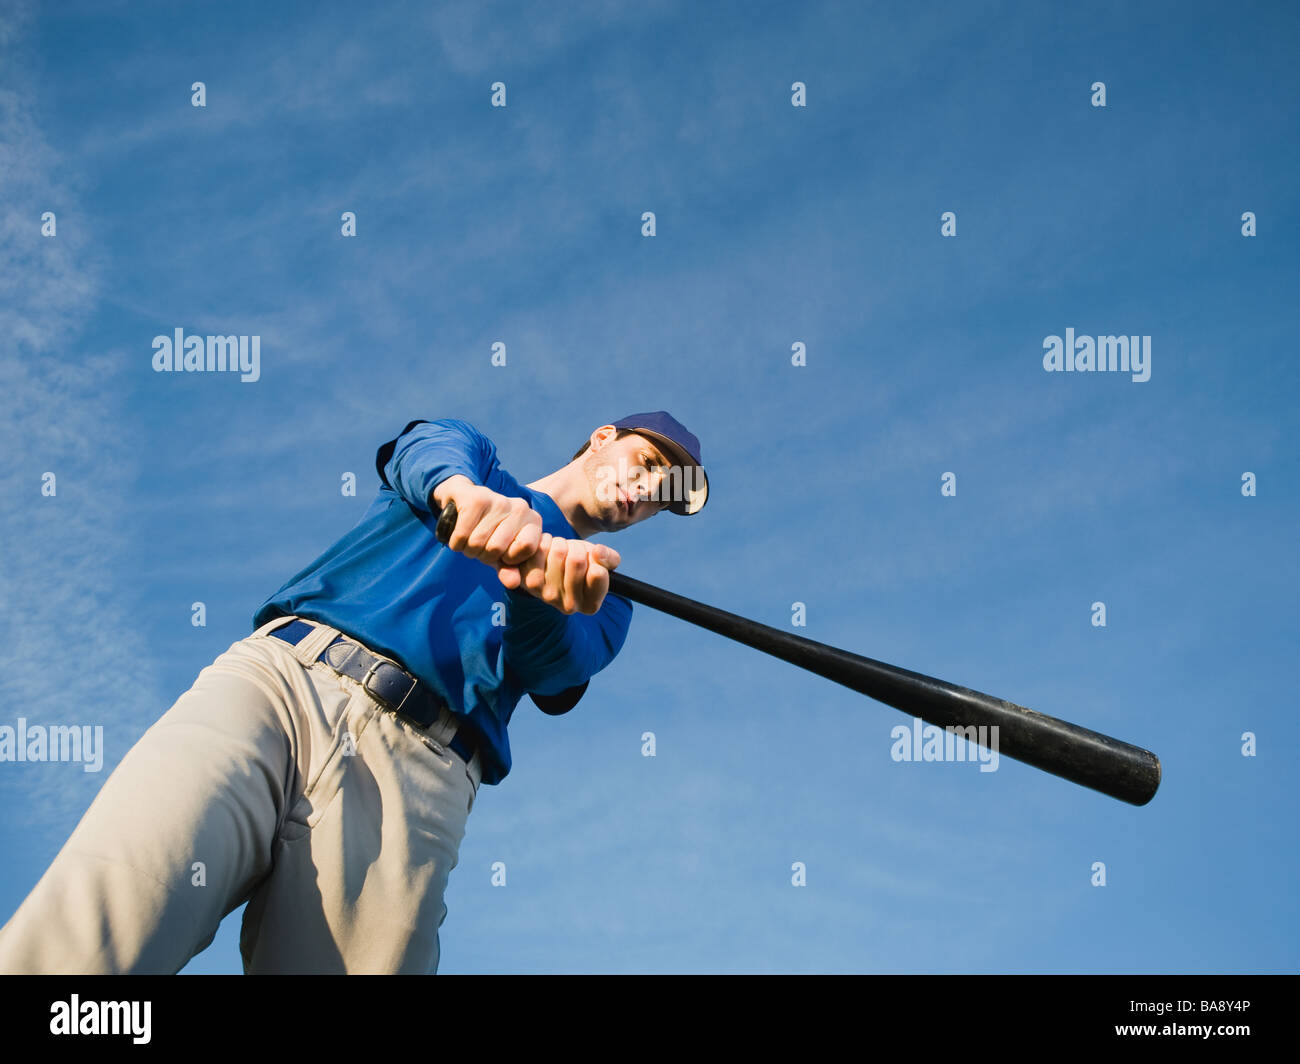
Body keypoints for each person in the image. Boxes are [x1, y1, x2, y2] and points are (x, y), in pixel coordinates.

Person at [0, 412, 708, 974]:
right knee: (109, 912)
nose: (646, 493)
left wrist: (532, 588)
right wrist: (465, 498)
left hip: (419, 774)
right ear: (602, 437)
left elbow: (558, 665)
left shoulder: (606, 598)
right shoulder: (478, 461)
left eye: (661, 499)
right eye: (648, 467)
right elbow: (423, 450)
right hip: (281, 684)